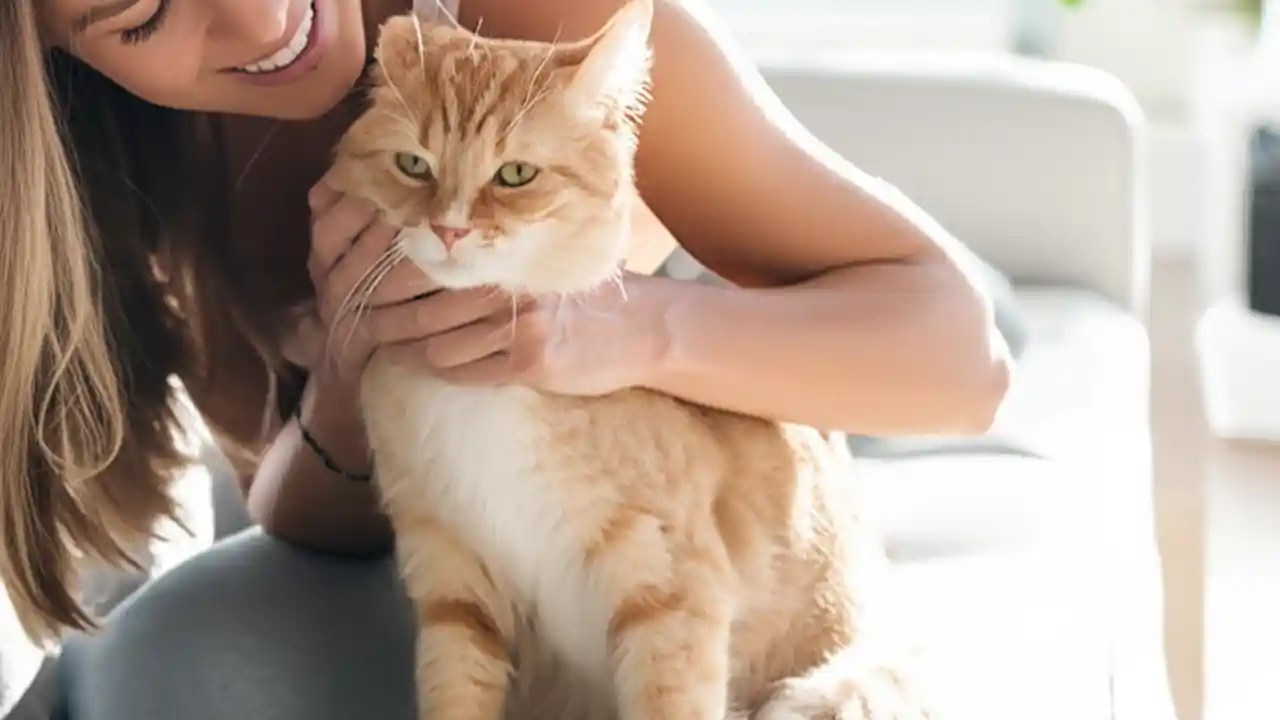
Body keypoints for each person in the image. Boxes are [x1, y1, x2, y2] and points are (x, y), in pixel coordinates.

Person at [0, 0, 1012, 717]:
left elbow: (964, 361)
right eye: (141, 16)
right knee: (164, 647)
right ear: (50, 46)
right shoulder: (109, 166)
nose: (263, 19)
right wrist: (361, 369)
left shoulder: (528, 18)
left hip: (703, 412)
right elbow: (293, 500)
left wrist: (624, 329)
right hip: (461, 506)